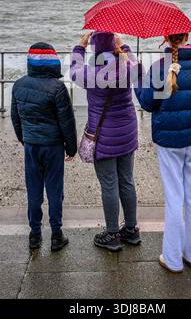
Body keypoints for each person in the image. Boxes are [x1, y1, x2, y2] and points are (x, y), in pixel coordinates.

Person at [135, 33, 191, 273]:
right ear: (187, 36)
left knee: (174, 197)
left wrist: (138, 78)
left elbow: (148, 103)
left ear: (166, 39)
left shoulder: (158, 69)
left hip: (169, 140)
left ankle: (173, 259)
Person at [70, 31, 141, 252]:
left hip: (103, 136)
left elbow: (73, 71)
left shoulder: (91, 73)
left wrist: (80, 46)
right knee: (127, 180)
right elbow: (139, 70)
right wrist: (125, 46)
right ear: (113, 46)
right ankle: (130, 230)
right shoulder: (127, 68)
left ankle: (112, 234)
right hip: (127, 132)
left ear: (95, 49)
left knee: (109, 184)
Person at [11, 42, 77, 251]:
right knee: (55, 190)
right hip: (53, 146)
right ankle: (56, 235)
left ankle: (35, 234)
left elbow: (15, 117)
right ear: (53, 62)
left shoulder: (19, 85)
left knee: (34, 190)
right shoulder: (57, 88)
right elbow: (66, 121)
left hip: (31, 145)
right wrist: (71, 148)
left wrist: (24, 138)